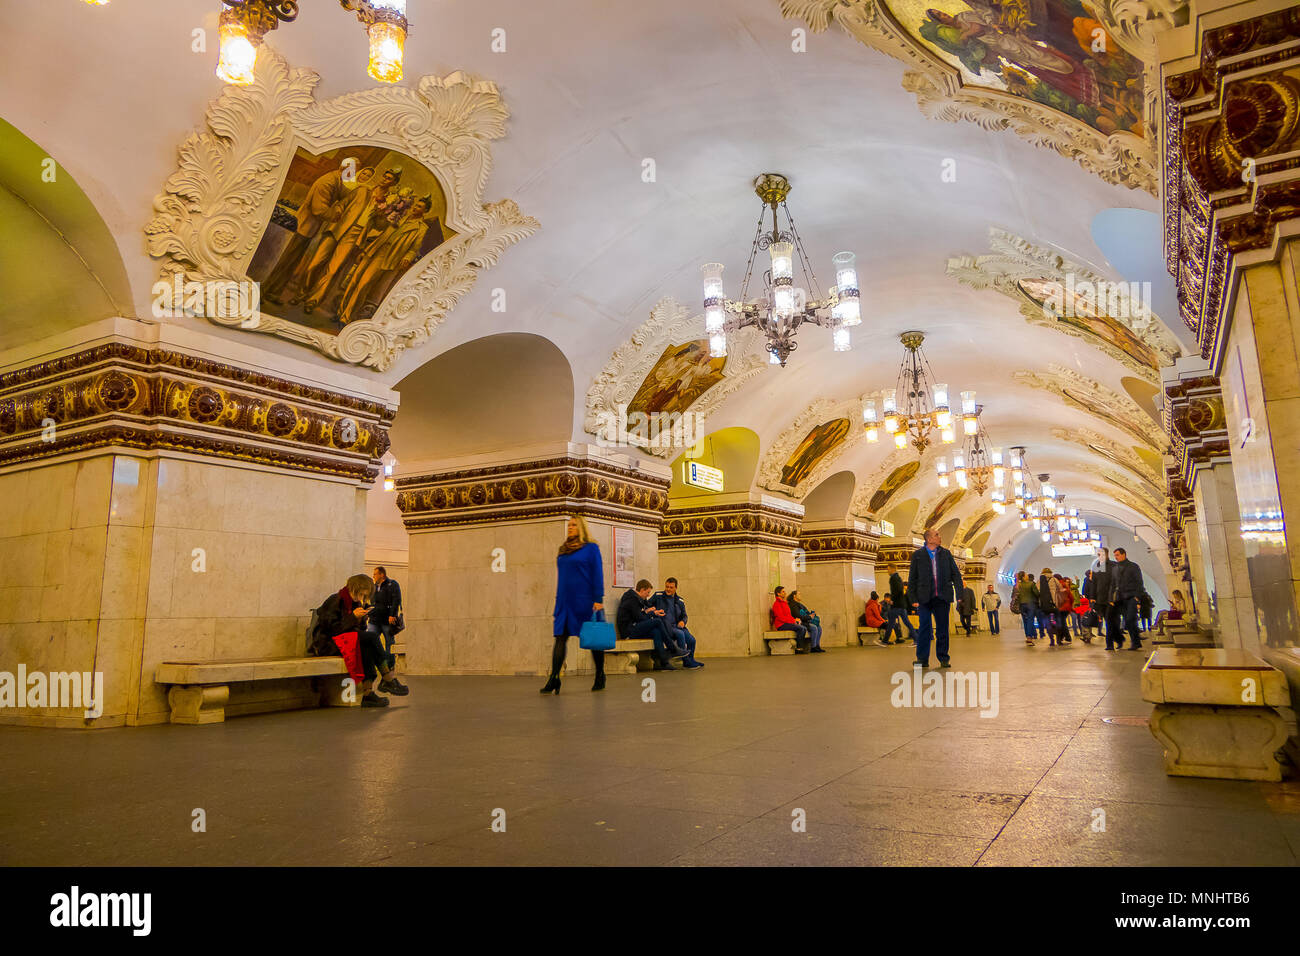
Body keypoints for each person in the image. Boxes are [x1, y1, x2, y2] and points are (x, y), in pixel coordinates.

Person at [311, 573, 406, 707]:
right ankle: (387, 677)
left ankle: (367, 693)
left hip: (346, 640)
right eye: (360, 594)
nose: (360, 597)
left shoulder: (355, 603)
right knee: (372, 637)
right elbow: (331, 628)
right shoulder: (335, 600)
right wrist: (352, 617)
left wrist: (362, 618)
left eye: (364, 595)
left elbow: (358, 630)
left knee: (366, 646)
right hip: (327, 643)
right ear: (353, 588)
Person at [542, 515, 605, 694]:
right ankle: (554, 678)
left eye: (574, 525)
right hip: (565, 601)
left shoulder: (591, 548)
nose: (570, 527)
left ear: (581, 528)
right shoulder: (563, 549)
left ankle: (600, 674)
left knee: (593, 639)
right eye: (569, 525)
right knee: (560, 637)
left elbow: (597, 573)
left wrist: (598, 599)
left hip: (585, 601)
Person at [907, 527, 963, 668]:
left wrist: (959, 594)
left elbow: (955, 574)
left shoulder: (946, 554)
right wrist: (912, 598)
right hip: (924, 598)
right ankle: (922, 659)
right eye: (937, 535)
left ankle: (943, 658)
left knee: (942, 629)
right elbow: (912, 578)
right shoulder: (918, 555)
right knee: (924, 628)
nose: (940, 537)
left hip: (942, 597)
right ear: (929, 539)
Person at [618, 579, 684, 672]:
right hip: (628, 631)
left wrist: (650, 612)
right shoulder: (632, 599)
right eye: (648, 592)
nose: (648, 595)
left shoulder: (635, 598)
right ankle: (672, 648)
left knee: (656, 632)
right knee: (657, 622)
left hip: (634, 626)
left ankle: (664, 663)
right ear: (642, 590)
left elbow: (639, 615)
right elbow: (640, 618)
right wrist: (651, 614)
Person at [652, 577, 703, 669]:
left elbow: (684, 615)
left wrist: (683, 622)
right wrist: (653, 611)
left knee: (692, 640)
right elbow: (647, 605)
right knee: (680, 634)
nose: (668, 589)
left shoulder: (680, 601)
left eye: (671, 587)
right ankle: (686, 661)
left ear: (676, 588)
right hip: (665, 626)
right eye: (667, 587)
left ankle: (691, 659)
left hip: (678, 626)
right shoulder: (658, 596)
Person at [366, 565, 403, 677]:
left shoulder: (392, 584)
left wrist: (392, 615)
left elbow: (396, 600)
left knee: (389, 643)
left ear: (382, 574)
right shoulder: (373, 587)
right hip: (374, 620)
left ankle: (389, 666)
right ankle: (373, 665)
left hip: (387, 620)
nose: (373, 576)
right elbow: (371, 602)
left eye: (375, 574)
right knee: (370, 641)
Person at [1109, 547, 1145, 651]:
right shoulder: (1115, 568)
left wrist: (1138, 597)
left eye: (1118, 555)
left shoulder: (1133, 566)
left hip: (1131, 596)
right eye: (1115, 555)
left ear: (1124, 554)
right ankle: (1134, 642)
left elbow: (1139, 582)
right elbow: (1113, 584)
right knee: (1125, 621)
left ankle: (1135, 642)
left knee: (1130, 619)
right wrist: (1111, 597)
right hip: (1120, 598)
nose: (1116, 557)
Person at [1089, 547, 1116, 650]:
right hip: (1100, 599)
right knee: (1108, 621)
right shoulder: (1096, 567)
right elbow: (1093, 584)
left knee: (1110, 621)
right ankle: (1112, 642)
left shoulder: (1114, 566)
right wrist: (1092, 597)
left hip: (1111, 599)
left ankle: (1110, 644)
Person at [771, 586, 809, 652]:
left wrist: (795, 620)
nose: (785, 593)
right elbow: (781, 618)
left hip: (787, 623)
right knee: (801, 628)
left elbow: (789, 615)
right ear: (778, 594)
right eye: (783, 591)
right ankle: (799, 648)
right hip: (781, 625)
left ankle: (801, 646)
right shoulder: (777, 604)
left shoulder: (785, 603)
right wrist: (793, 621)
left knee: (803, 627)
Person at [887, 570, 916, 645]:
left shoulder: (895, 580)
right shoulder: (900, 582)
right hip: (903, 607)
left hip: (899, 606)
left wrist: (913, 609)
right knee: (906, 623)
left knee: (893, 623)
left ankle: (885, 640)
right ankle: (916, 638)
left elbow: (911, 600)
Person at [1017, 570, 1040, 645]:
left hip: (1021, 605)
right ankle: (1029, 637)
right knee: (1030, 620)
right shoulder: (1031, 584)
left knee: (1025, 621)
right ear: (1024, 577)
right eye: (1026, 574)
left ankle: (1027, 636)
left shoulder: (1018, 585)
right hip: (1030, 604)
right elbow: (1037, 593)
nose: (1027, 575)